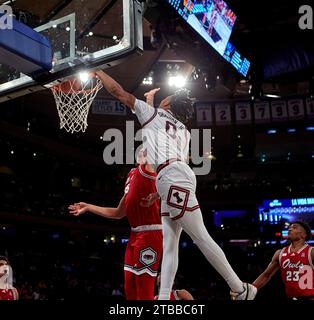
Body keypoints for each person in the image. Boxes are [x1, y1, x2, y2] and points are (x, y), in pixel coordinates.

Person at [95, 70, 256, 300]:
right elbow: (155, 137)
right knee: (170, 243)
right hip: (173, 178)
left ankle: (240, 289)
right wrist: (159, 193)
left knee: (201, 237)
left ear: (168, 103)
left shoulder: (154, 115)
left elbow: (117, 92)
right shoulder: (184, 131)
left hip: (172, 178)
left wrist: (99, 71)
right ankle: (162, 299)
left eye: (168, 97)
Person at [68, 149, 162, 300]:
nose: (143, 150)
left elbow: (153, 142)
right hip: (134, 235)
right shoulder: (132, 175)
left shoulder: (148, 169)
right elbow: (118, 213)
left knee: (144, 290)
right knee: (130, 289)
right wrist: (88, 207)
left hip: (151, 233)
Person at [250, 221, 314, 300]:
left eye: (294, 227)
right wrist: (251, 288)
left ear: (304, 235)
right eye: (289, 228)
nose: (290, 229)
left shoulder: (311, 252)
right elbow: (266, 275)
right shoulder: (280, 253)